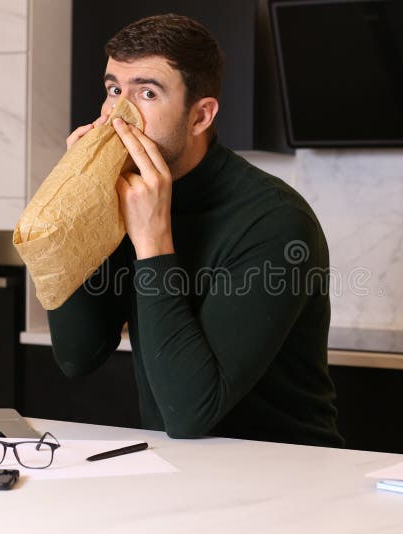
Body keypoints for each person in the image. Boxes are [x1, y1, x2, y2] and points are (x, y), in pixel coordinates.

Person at [48, 13, 343, 447]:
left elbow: (190, 412)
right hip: (180, 468)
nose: (117, 116)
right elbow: (78, 355)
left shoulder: (276, 221)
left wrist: (152, 240)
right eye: (114, 90)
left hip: (285, 469)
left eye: (147, 93)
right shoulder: (126, 195)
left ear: (201, 116)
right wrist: (78, 206)